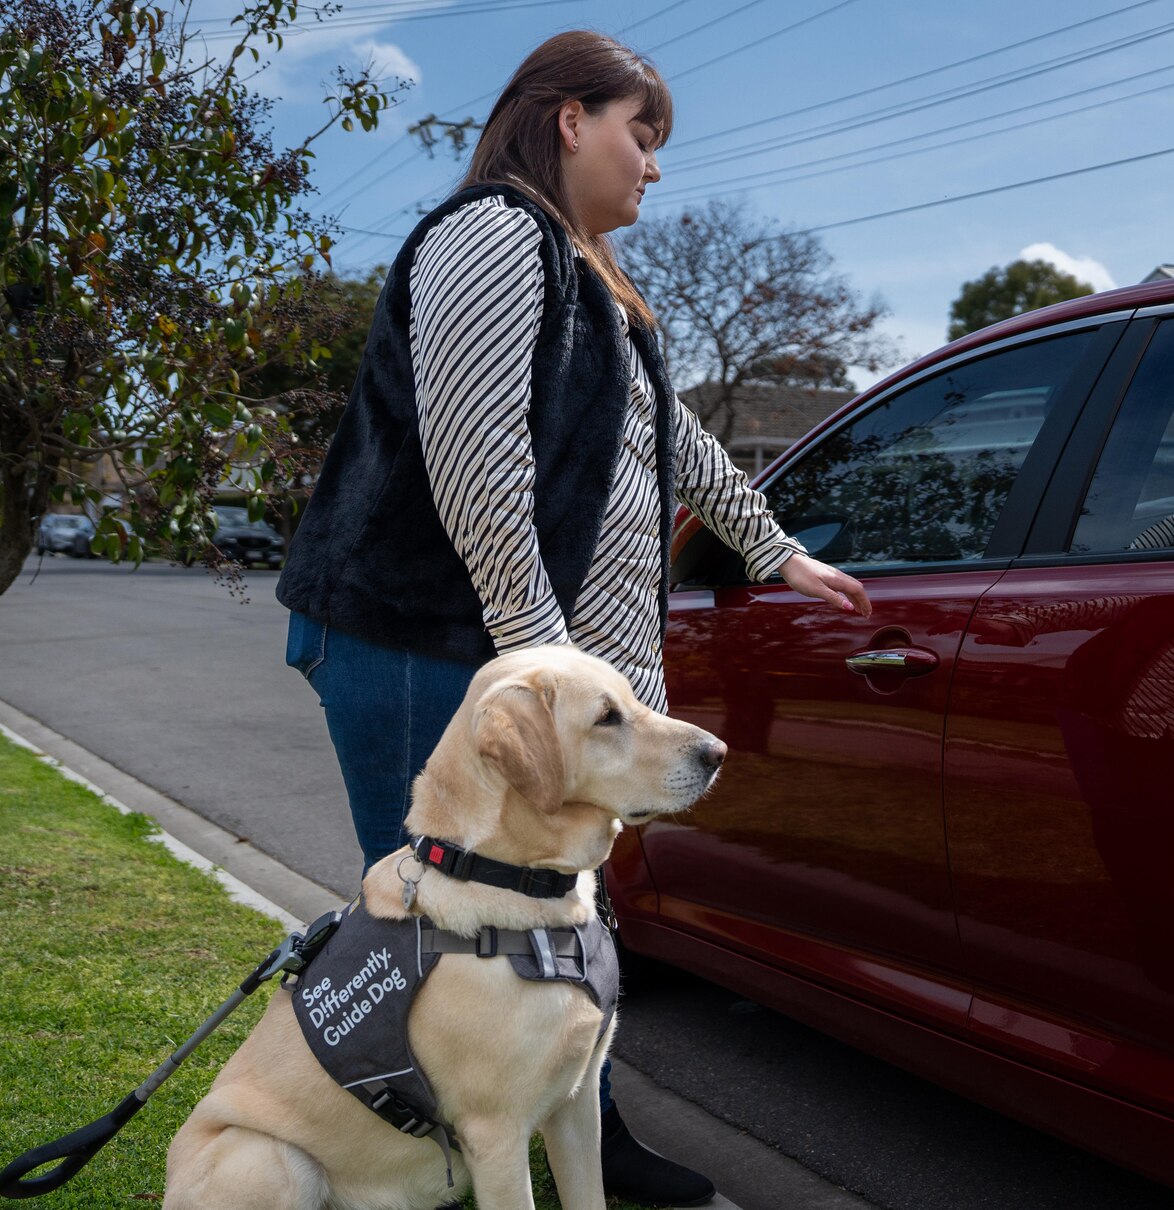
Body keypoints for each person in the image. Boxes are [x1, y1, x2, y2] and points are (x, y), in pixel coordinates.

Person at [274, 30, 869, 1207]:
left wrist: (775, 549)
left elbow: (672, 437)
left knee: (547, 919)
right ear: (566, 120)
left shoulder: (592, 277)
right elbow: (478, 463)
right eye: (638, 134)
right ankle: (428, 1148)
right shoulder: (494, 236)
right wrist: (541, 669)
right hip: (428, 643)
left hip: (507, 654)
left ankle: (571, 1125)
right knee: (449, 932)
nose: (653, 166)